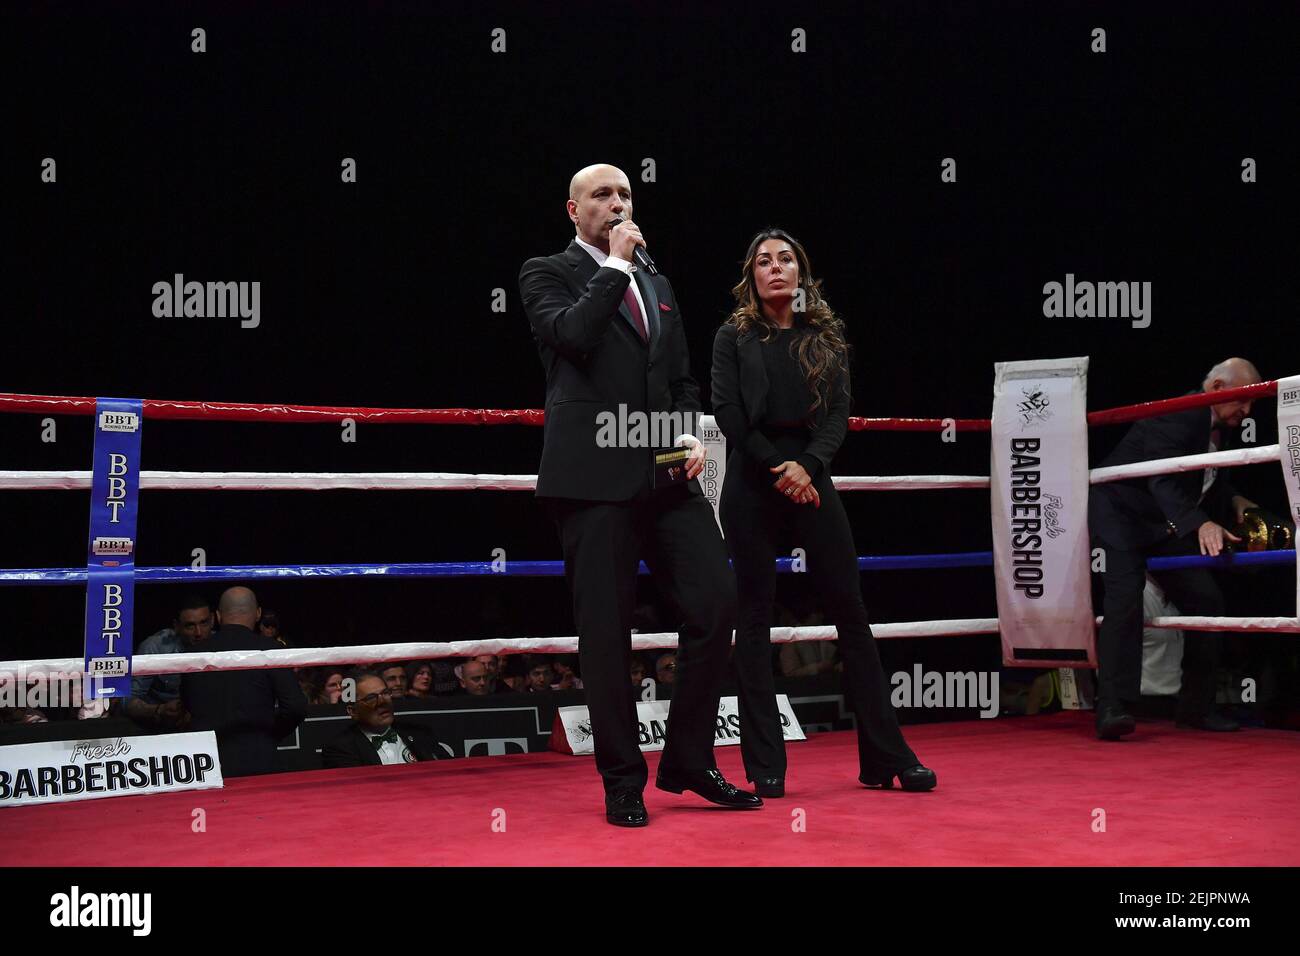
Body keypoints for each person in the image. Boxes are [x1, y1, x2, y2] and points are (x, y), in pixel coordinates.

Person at [519, 163, 758, 826]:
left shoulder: (658, 281)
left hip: (666, 475)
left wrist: (688, 436)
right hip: (591, 481)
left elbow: (681, 378)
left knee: (715, 605)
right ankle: (622, 779)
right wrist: (616, 265)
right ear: (573, 209)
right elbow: (572, 335)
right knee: (606, 635)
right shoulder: (547, 272)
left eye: (625, 194)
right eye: (603, 195)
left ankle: (686, 759)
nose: (617, 204)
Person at [711, 227, 936, 798]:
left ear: (802, 272)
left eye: (786, 259)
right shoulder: (733, 336)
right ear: (752, 276)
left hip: (811, 474)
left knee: (851, 612)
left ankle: (888, 756)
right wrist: (779, 469)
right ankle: (765, 766)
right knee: (754, 618)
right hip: (753, 477)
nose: (776, 268)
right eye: (763, 261)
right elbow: (728, 414)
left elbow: (838, 415)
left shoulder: (826, 338)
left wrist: (807, 467)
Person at [1087, 357, 1262, 739]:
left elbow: (1205, 479)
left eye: (1251, 403)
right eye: (1243, 400)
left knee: (1206, 601)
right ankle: (1112, 707)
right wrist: (1202, 523)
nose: (1248, 410)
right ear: (1217, 388)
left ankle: (1196, 709)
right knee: (1125, 598)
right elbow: (1163, 481)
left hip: (1162, 521)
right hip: (1120, 512)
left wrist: (1235, 502)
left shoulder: (1218, 425)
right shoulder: (1179, 415)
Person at [181, 586, 307, 776]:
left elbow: (188, 705)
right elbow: (295, 706)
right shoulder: (270, 649)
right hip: (259, 758)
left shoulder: (193, 655)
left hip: (206, 763)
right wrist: (268, 734)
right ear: (258, 614)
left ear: (218, 615)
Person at [321, 672, 450, 768]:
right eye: (371, 698)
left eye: (385, 693)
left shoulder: (420, 733)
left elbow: (448, 770)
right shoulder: (341, 748)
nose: (383, 702)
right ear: (353, 711)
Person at [127, 594, 213, 731]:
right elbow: (127, 701)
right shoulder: (155, 648)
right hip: (160, 728)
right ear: (176, 626)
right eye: (190, 626)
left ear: (213, 620)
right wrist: (158, 710)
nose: (198, 633)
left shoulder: (221, 647)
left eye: (204, 623)